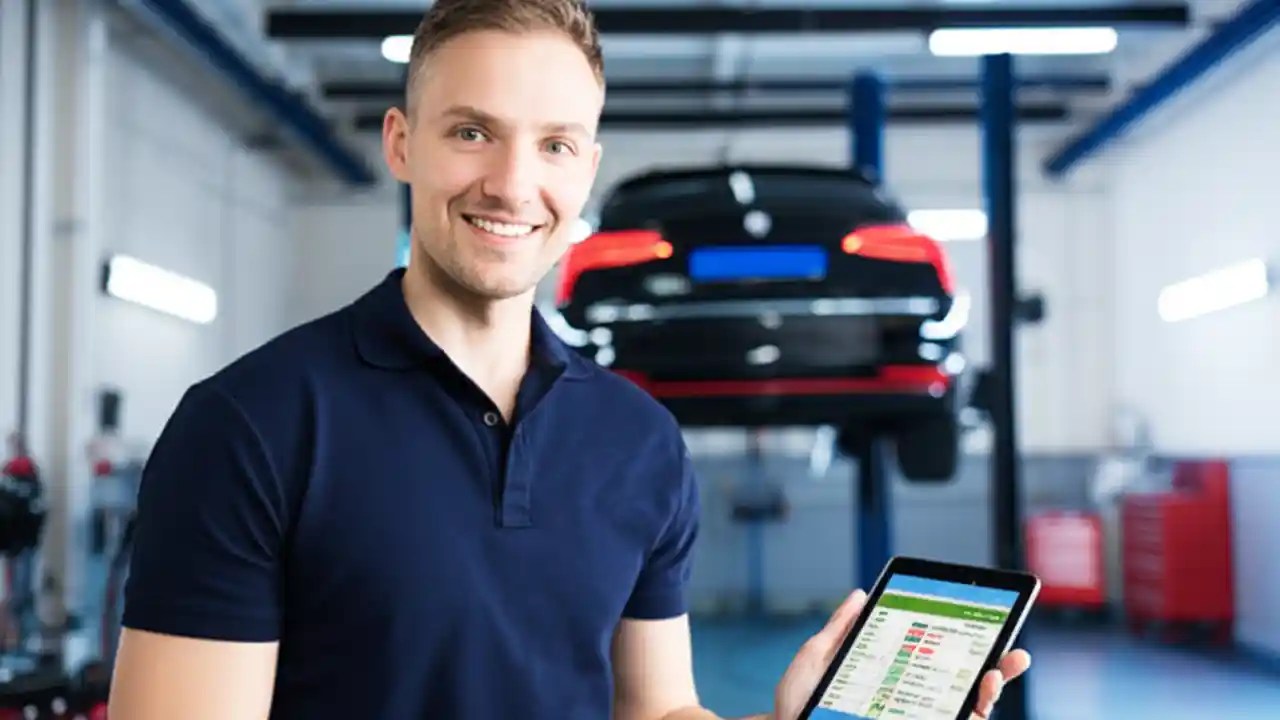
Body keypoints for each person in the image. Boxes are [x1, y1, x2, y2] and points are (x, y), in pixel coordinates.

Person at [107, 0, 1030, 718]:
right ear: (401, 143)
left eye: (552, 144)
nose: (512, 183)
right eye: (472, 131)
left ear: (585, 168)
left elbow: (655, 709)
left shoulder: (639, 442)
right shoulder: (252, 426)